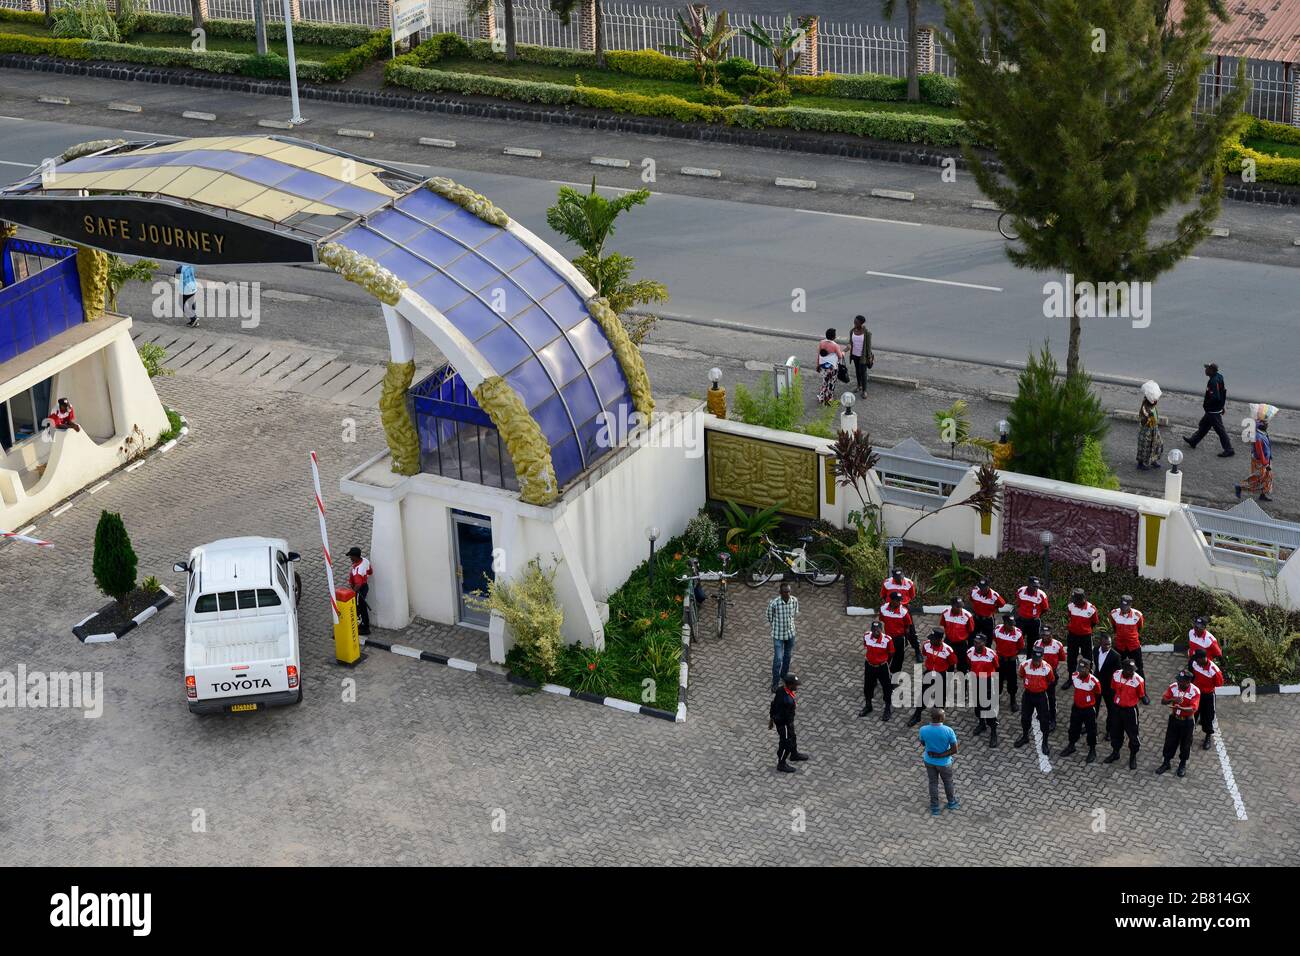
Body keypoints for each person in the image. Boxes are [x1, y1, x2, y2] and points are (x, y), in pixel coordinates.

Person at [1184, 362, 1233, 457]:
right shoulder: (1219, 377)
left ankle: (1229, 449)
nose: (1205, 370)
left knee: (1220, 430)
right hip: (1214, 409)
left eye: (1207, 369)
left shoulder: (1213, 381)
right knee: (1203, 425)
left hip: (1213, 411)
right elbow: (1222, 392)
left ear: (1212, 370)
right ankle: (1193, 441)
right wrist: (1222, 406)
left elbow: (1216, 397)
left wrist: (1207, 405)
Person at [1157, 671, 1201, 778]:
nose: (1178, 683)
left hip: (1187, 721)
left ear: (1187, 682)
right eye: (1178, 680)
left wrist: (1181, 708)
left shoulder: (1195, 691)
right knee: (1170, 741)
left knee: (1186, 743)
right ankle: (1166, 762)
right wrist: (1172, 699)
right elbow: (1163, 701)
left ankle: (1182, 764)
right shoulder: (1173, 687)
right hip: (1174, 719)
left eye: (1180, 681)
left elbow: (1193, 709)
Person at [909, 629, 956, 727]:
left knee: (940, 699)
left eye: (933, 639)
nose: (930, 640)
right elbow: (925, 653)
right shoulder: (926, 645)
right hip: (929, 673)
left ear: (939, 640)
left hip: (941, 675)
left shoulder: (947, 650)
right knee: (923, 695)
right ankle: (917, 715)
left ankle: (938, 719)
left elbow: (952, 664)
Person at [1059, 658, 1102, 763]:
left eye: (1083, 669)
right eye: (1080, 669)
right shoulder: (1074, 676)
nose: (1081, 671)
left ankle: (1092, 750)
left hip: (1089, 710)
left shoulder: (1094, 681)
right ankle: (1071, 745)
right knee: (1073, 728)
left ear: (1089, 669)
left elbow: (1098, 693)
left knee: (1091, 731)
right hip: (1076, 708)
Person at [1104, 659, 1145, 770]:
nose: (1132, 673)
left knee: (1133, 735)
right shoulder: (1116, 675)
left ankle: (1133, 756)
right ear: (1124, 669)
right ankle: (1115, 752)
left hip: (1130, 711)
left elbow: (1141, 695)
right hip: (1117, 708)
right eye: (1130, 671)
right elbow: (1113, 688)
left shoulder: (1138, 680)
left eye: (1133, 670)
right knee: (1115, 731)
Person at [919, 707, 960, 816]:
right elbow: (954, 749)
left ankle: (935, 807)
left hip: (929, 761)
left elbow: (923, 743)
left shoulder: (923, 729)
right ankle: (951, 802)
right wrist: (940, 755)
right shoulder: (948, 730)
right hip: (944, 763)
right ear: (941, 718)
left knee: (933, 783)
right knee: (948, 782)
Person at [1014, 644, 1053, 756]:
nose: (1036, 662)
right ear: (1032, 657)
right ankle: (1025, 736)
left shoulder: (1047, 668)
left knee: (1044, 721)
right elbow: (1021, 676)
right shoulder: (1024, 665)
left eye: (1039, 659)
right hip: (1028, 695)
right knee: (1025, 718)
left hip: (1041, 696)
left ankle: (1045, 742)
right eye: (1035, 660)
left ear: (1042, 657)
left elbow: (1050, 680)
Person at [1109, 595, 1149, 697]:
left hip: (1133, 646)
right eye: (1122, 606)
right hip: (1119, 645)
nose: (1123, 609)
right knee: (1117, 667)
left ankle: (1143, 693)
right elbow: (1114, 627)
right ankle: (1117, 689)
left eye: (1126, 607)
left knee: (1139, 668)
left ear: (1130, 605)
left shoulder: (1138, 615)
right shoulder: (1114, 614)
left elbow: (1140, 628)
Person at [769, 674, 808, 773]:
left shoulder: (781, 690)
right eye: (795, 685)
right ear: (790, 685)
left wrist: (771, 718)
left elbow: (773, 704)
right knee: (785, 743)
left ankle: (794, 754)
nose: (797, 687)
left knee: (793, 737)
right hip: (784, 724)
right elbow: (780, 712)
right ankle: (781, 763)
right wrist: (776, 720)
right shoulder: (787, 701)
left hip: (788, 722)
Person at [967, 636, 1000, 747]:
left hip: (988, 682)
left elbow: (996, 666)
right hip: (976, 681)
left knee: (989, 708)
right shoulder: (970, 652)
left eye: (979, 643)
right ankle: (982, 724)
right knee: (978, 706)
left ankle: (993, 733)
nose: (976, 645)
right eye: (975, 642)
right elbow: (969, 664)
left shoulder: (991, 654)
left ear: (984, 643)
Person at [766, 581, 799, 693]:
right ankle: (775, 683)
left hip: (790, 634)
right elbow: (769, 617)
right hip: (778, 635)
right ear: (780, 592)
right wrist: (777, 626)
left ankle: (784, 676)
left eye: (789, 591)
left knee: (787, 656)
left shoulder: (794, 601)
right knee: (778, 659)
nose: (787, 594)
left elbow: (794, 614)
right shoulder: (774, 604)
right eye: (785, 592)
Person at [1190, 650, 1225, 750]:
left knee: (1208, 717)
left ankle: (1208, 737)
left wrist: (1207, 686)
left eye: (1197, 659)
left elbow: (1219, 683)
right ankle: (1189, 735)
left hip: (1207, 696)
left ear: (1203, 658)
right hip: (1196, 694)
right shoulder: (1195, 663)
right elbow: (1192, 674)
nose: (1195, 661)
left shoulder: (1213, 670)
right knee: (1193, 715)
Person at [860, 620, 895, 721]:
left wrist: (885, 662)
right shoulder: (866, 636)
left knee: (887, 688)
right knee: (867, 686)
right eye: (874, 629)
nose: (876, 631)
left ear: (881, 630)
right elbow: (866, 646)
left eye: (878, 629)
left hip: (882, 667)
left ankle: (887, 709)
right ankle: (868, 705)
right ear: (871, 630)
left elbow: (891, 653)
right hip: (869, 666)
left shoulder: (887, 640)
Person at [1033, 624, 1064, 731]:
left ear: (1051, 635)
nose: (1045, 637)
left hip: (1051, 675)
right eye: (1043, 635)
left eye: (1047, 635)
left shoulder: (1058, 645)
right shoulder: (1037, 644)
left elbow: (1062, 658)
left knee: (1051, 697)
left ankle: (1053, 718)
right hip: (1040, 675)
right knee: (1040, 696)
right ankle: (1042, 713)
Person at [879, 590, 919, 673]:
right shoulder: (883, 609)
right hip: (888, 638)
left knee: (898, 658)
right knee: (886, 656)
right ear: (891, 600)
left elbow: (908, 625)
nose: (899, 602)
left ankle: (895, 674)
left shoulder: (904, 611)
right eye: (897, 600)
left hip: (899, 639)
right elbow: (882, 619)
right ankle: (884, 672)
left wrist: (905, 637)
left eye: (900, 600)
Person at [1235, 417, 1273, 503]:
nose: (1267, 424)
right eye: (1264, 423)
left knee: (1267, 477)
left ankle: (1263, 494)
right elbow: (1260, 452)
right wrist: (1265, 463)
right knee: (1257, 478)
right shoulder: (1258, 437)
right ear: (1260, 426)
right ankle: (1240, 486)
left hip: (1266, 459)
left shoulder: (1263, 432)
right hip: (1260, 462)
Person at [1065, 587, 1100, 678]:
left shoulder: (1091, 609)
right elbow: (1069, 617)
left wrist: (1085, 629)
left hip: (1085, 637)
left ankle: (1088, 677)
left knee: (1087, 658)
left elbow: (1094, 622)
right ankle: (1071, 677)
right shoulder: (1071, 606)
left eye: (1075, 600)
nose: (1073, 602)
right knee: (1071, 658)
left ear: (1082, 599)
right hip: (1072, 636)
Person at [992, 612, 1024, 713]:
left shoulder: (1018, 633)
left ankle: (1013, 701)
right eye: (1010, 624)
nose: (1012, 626)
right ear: (1004, 623)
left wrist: (1015, 654)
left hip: (1011, 661)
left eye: (1013, 623)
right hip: (1000, 660)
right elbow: (995, 641)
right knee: (998, 680)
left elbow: (1021, 647)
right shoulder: (997, 630)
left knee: (1012, 682)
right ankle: (996, 698)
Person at [1092, 632, 1121, 733]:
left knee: (1111, 710)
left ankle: (1109, 730)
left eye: (1109, 644)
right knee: (1094, 706)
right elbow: (1097, 667)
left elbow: (1118, 673)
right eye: (1105, 644)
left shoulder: (1115, 656)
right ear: (1100, 643)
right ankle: (1092, 726)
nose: (1108, 646)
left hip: (1109, 687)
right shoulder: (1095, 650)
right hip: (1097, 685)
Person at [940, 597, 976, 673]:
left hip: (961, 644)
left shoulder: (968, 616)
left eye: (961, 606)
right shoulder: (945, 612)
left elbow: (971, 631)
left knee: (962, 665)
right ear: (952, 605)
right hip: (948, 642)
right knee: (949, 663)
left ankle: (963, 683)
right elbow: (944, 625)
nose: (960, 608)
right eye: (957, 606)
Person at [1015, 576, 1048, 647]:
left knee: (1033, 642)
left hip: (1033, 622)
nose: (1036, 588)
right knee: (1017, 640)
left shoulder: (1042, 595)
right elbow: (1018, 603)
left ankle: (1030, 657)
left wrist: (1037, 615)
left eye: (1037, 586)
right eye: (1034, 586)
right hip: (1021, 620)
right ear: (1028, 584)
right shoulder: (1021, 591)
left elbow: (1045, 608)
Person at [346, 546, 372, 636]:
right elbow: (370, 571)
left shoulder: (357, 571)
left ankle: (364, 626)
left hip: (360, 590)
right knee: (362, 606)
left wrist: (352, 593)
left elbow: (358, 585)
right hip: (365, 587)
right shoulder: (365, 560)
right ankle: (363, 623)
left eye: (351, 556)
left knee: (359, 607)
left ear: (356, 557)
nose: (350, 558)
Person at [815, 328, 845, 405]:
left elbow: (819, 354)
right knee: (832, 382)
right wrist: (843, 353)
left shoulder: (821, 343)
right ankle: (829, 398)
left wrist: (817, 365)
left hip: (823, 366)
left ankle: (821, 397)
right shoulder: (835, 346)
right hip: (832, 368)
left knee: (825, 381)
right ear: (833, 337)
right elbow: (840, 356)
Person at [847, 314, 873, 398]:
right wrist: (848, 346)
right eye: (854, 321)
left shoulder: (867, 333)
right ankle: (859, 386)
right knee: (857, 371)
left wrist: (869, 357)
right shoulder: (852, 331)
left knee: (863, 373)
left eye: (856, 322)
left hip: (863, 357)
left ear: (861, 323)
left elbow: (868, 346)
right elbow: (850, 342)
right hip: (854, 355)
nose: (854, 323)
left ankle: (864, 391)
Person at [176, 262, 198, 327]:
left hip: (186, 289)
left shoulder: (180, 269)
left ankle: (193, 318)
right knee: (191, 302)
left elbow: (176, 277)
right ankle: (194, 321)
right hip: (193, 286)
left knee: (181, 303)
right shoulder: (191, 265)